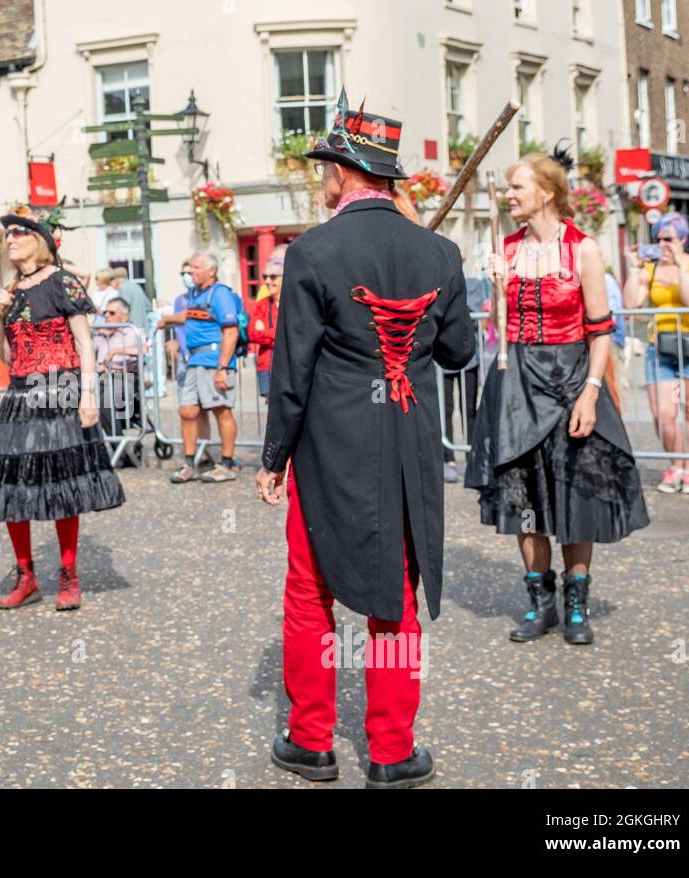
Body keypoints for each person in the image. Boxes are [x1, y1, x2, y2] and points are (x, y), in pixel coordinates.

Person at [256, 99, 475, 789]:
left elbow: (292, 371)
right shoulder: (439, 251)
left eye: (325, 166)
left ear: (345, 173)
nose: (321, 177)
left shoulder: (312, 251)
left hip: (329, 443)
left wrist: (273, 459)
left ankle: (311, 741)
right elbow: (460, 352)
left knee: (309, 589)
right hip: (408, 442)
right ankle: (390, 751)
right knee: (394, 593)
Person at [466, 146, 649, 647]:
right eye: (507, 187)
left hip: (571, 378)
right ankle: (539, 601)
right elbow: (500, 329)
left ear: (546, 193)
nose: (508, 195)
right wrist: (498, 287)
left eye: (517, 187)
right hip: (517, 383)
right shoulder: (505, 249)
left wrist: (591, 392)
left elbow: (600, 330)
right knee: (523, 493)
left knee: (575, 494)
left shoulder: (581, 249)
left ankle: (576, 603)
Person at [0, 205, 125, 611]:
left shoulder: (63, 282)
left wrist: (88, 397)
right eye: (8, 234)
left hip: (61, 391)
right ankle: (26, 576)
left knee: (64, 484)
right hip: (21, 396)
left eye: (19, 233)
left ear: (40, 241)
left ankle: (68, 574)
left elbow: (84, 343)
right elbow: (7, 356)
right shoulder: (10, 290)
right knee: (12, 484)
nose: (10, 239)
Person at [623, 211, 689, 495]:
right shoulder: (651, 269)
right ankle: (676, 466)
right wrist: (634, 268)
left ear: (683, 239)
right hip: (661, 344)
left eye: (669, 239)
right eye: (658, 239)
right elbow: (631, 303)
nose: (663, 244)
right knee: (663, 413)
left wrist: (679, 264)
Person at [157, 251, 239, 483]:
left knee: (221, 410)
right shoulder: (195, 293)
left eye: (195, 268)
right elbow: (189, 315)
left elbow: (231, 332)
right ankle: (189, 463)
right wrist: (166, 320)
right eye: (189, 268)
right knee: (187, 411)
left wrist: (222, 367)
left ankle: (227, 464)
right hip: (194, 361)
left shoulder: (220, 294)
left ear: (211, 271)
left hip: (214, 361)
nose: (190, 272)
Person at [441, 276, 488, 483]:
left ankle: (471, 455)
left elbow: (477, 315)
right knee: (446, 408)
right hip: (443, 357)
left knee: (469, 407)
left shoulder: (474, 284)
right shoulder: (441, 280)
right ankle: (448, 458)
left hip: (469, 357)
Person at [94, 296, 145, 468]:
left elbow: (144, 350)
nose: (106, 316)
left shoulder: (133, 331)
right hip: (100, 377)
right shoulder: (99, 333)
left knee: (105, 403)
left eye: (111, 313)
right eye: (105, 312)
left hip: (124, 377)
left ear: (124, 317)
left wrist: (118, 350)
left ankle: (120, 452)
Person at [249, 256, 284, 400]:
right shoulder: (262, 304)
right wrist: (278, 335)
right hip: (266, 363)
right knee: (271, 407)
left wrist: (265, 332)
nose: (268, 281)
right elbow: (252, 334)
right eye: (265, 277)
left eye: (273, 276)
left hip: (291, 364)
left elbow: (299, 333)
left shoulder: (295, 303)